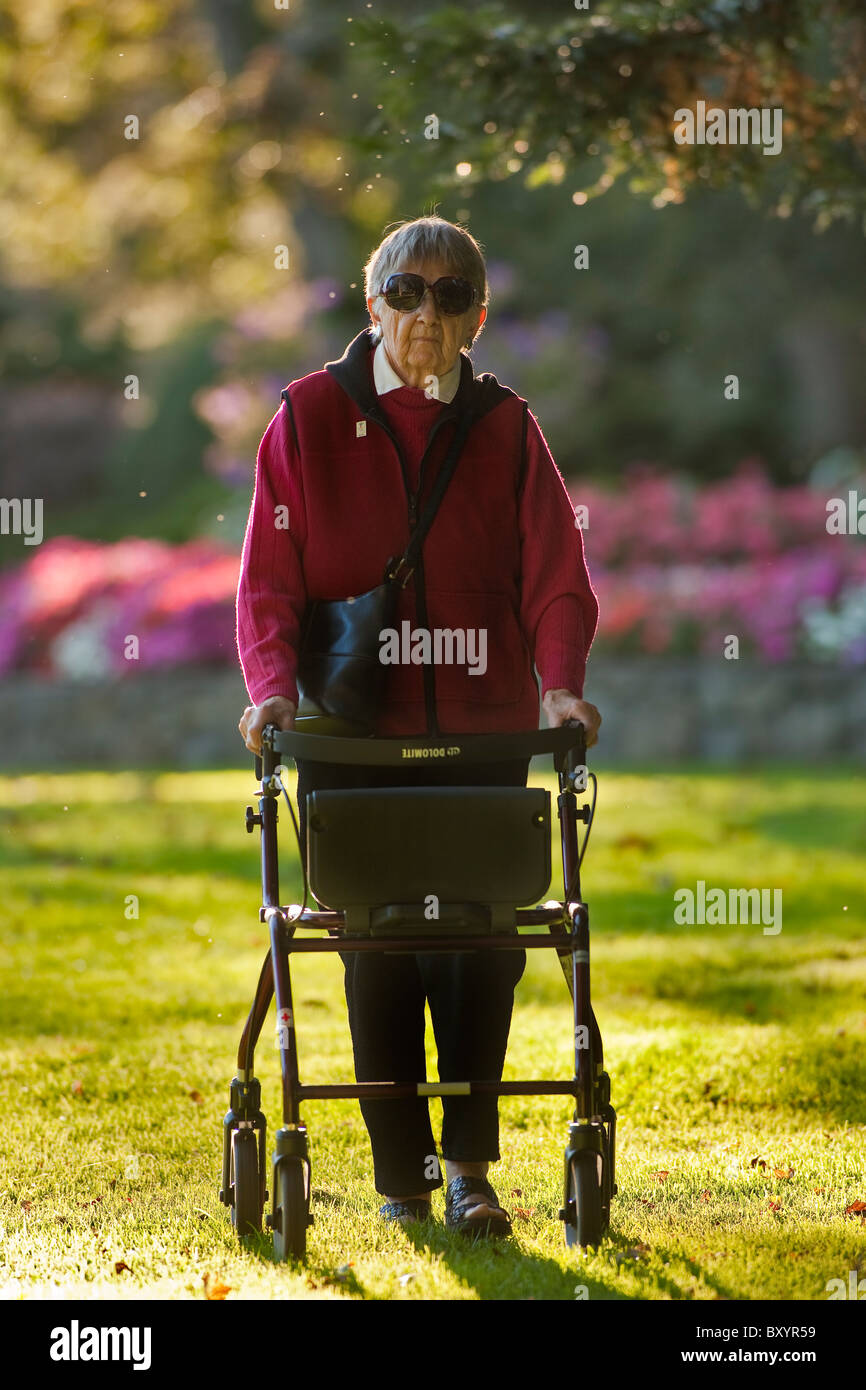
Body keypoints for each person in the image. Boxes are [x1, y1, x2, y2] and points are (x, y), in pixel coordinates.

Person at [237, 215, 601, 1237]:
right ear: (372, 305)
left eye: (448, 297)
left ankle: (471, 1172)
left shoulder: (505, 427)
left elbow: (553, 578)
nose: (424, 316)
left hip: (483, 734)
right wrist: (269, 688)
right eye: (405, 292)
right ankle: (402, 1179)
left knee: (483, 944)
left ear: (475, 315)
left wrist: (560, 688)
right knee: (376, 947)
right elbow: (267, 586)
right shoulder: (306, 420)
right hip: (353, 736)